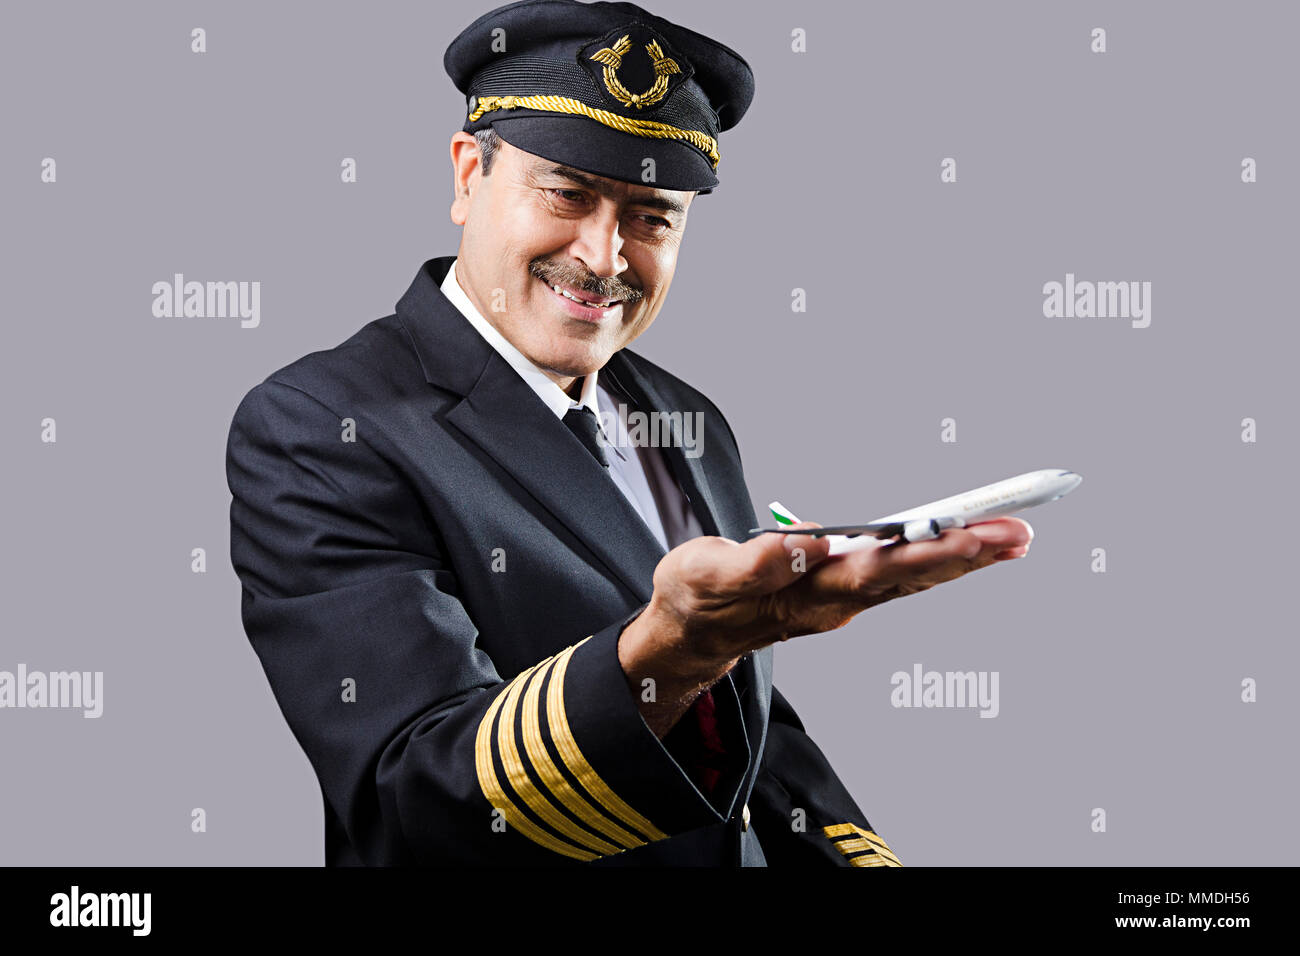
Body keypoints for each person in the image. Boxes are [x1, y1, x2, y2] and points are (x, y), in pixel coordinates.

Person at [224, 0, 1031, 867]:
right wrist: (669, 653)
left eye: (652, 216)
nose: (606, 257)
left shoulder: (687, 419)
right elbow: (415, 792)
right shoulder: (320, 425)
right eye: (568, 192)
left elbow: (754, 734)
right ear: (467, 176)